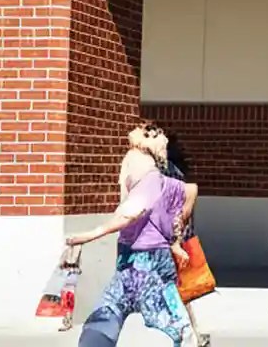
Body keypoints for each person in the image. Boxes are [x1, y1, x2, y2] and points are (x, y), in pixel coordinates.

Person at [68, 122, 199, 347]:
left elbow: (130, 214)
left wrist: (89, 235)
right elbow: (189, 192)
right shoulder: (166, 183)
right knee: (168, 321)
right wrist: (176, 240)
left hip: (146, 263)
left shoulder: (149, 179)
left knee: (165, 321)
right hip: (137, 261)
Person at [162, 133, 210, 347]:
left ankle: (188, 335)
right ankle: (195, 333)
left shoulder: (165, 173)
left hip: (171, 238)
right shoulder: (181, 173)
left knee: (174, 290)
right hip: (185, 236)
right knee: (181, 291)